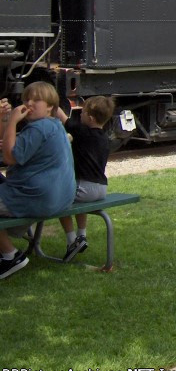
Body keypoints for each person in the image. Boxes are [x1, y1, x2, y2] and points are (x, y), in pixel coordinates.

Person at [0, 83, 76, 279]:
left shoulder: (37, 128)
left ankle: (11, 256)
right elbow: (12, 147)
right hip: (61, 197)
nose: (29, 104)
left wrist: (12, 122)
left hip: (35, 197)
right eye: (26, 100)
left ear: (50, 106)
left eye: (36, 100)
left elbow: (9, 157)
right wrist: (6, 120)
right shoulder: (55, 125)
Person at [55, 96, 116, 261]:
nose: (79, 116)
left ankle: (71, 240)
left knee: (58, 200)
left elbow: (63, 119)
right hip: (101, 188)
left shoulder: (83, 132)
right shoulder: (105, 138)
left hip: (84, 187)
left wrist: (52, 103)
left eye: (81, 113)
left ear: (90, 118)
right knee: (80, 201)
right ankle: (82, 235)